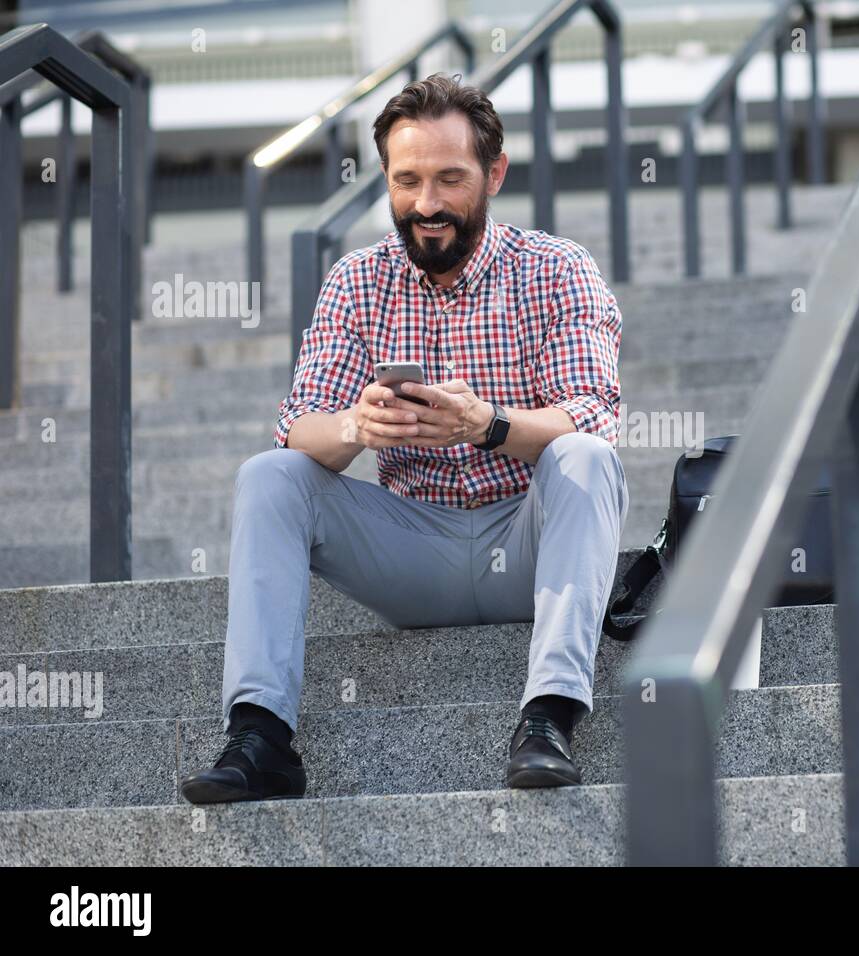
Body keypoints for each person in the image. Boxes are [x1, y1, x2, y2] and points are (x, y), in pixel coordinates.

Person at [180, 73, 626, 804]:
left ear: (494, 173)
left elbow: (595, 416)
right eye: (408, 179)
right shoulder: (358, 281)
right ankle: (259, 738)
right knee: (270, 475)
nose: (427, 205)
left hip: (528, 540)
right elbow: (300, 427)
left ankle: (548, 719)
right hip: (411, 552)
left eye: (451, 179)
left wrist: (487, 424)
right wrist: (357, 426)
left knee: (585, 456)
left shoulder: (557, 269)